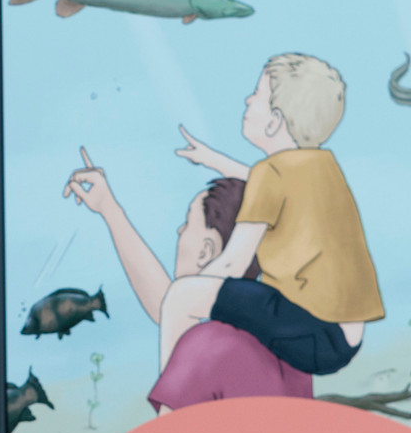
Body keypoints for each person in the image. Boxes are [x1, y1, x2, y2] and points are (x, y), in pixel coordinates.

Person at [164, 53, 383, 379]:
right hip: (345, 338)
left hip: (313, 331)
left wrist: (198, 289)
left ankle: (172, 400)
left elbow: (233, 264)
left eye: (257, 95)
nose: (247, 100)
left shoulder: (271, 173)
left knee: (180, 297)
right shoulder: (321, 165)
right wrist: (213, 160)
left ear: (275, 121)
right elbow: (271, 189)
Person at [61, 148, 310, 409]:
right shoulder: (286, 335)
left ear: (206, 251)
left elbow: (173, 429)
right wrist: (109, 209)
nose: (180, 230)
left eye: (188, 222)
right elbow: (168, 304)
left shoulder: (205, 345)